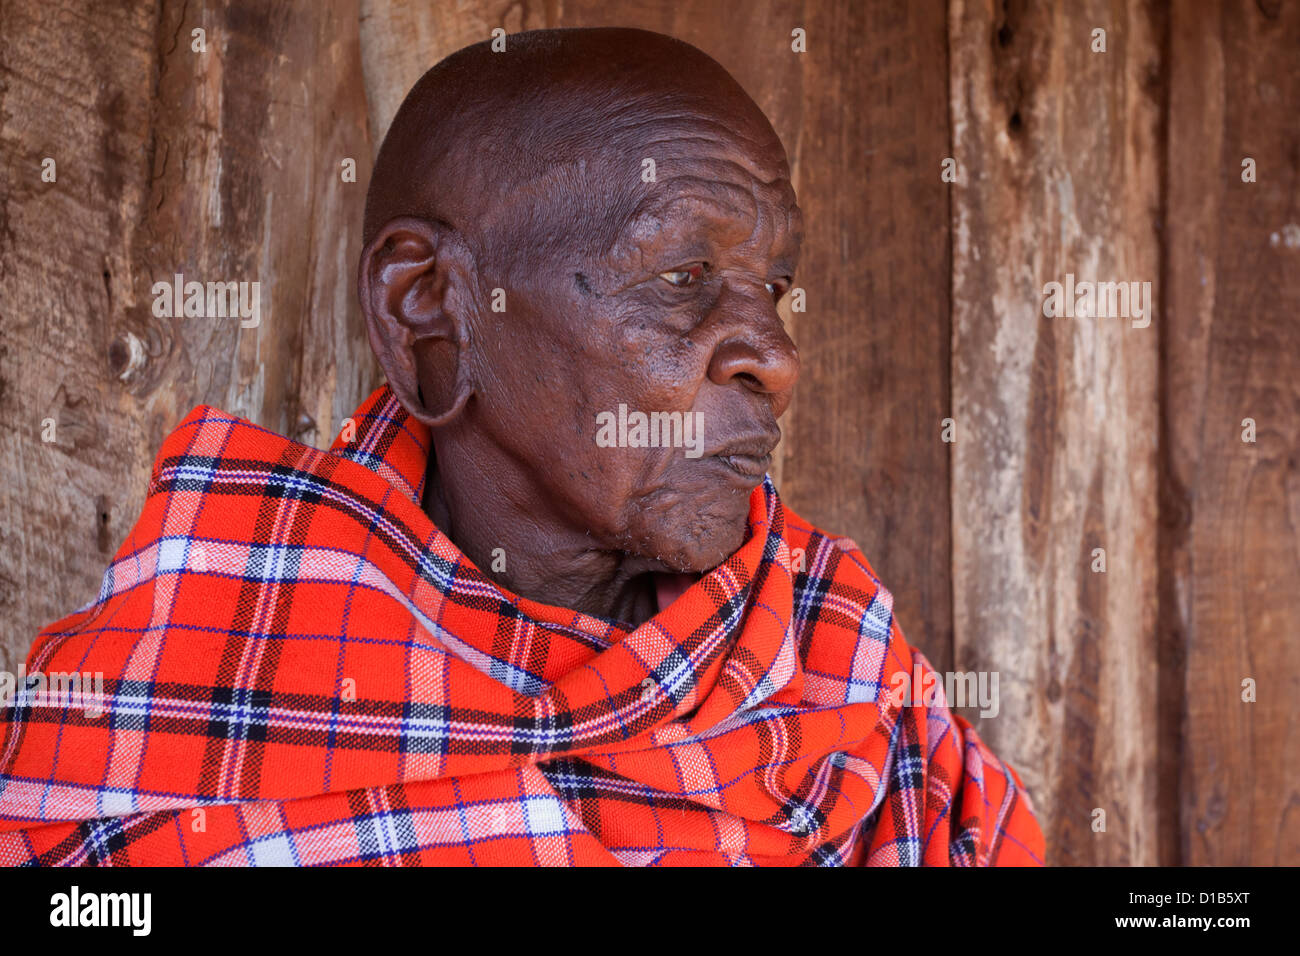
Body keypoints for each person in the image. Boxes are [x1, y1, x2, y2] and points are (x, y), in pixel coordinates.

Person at [0, 27, 1044, 866]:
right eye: (680, 278)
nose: (775, 356)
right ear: (429, 312)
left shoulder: (837, 664)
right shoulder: (200, 667)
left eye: (769, 289)